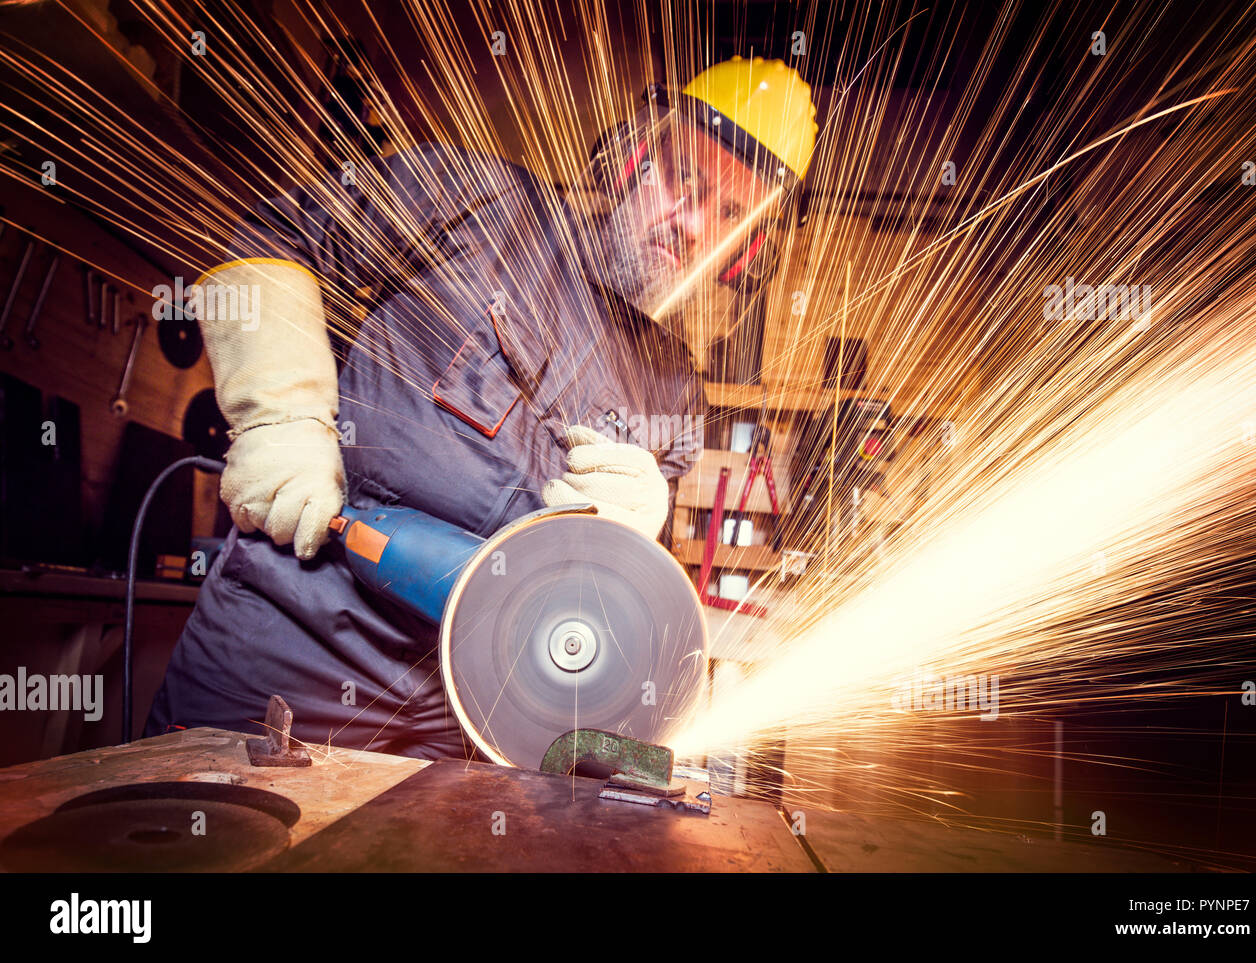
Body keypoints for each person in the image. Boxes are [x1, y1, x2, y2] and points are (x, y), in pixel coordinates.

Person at [145, 56, 817, 759]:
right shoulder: (477, 198)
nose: (692, 221)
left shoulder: (677, 386)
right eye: (686, 180)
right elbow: (279, 235)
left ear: (747, 247)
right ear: (635, 160)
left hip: (480, 711)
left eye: (731, 213)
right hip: (288, 642)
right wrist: (281, 414)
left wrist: (629, 538)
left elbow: (610, 595)